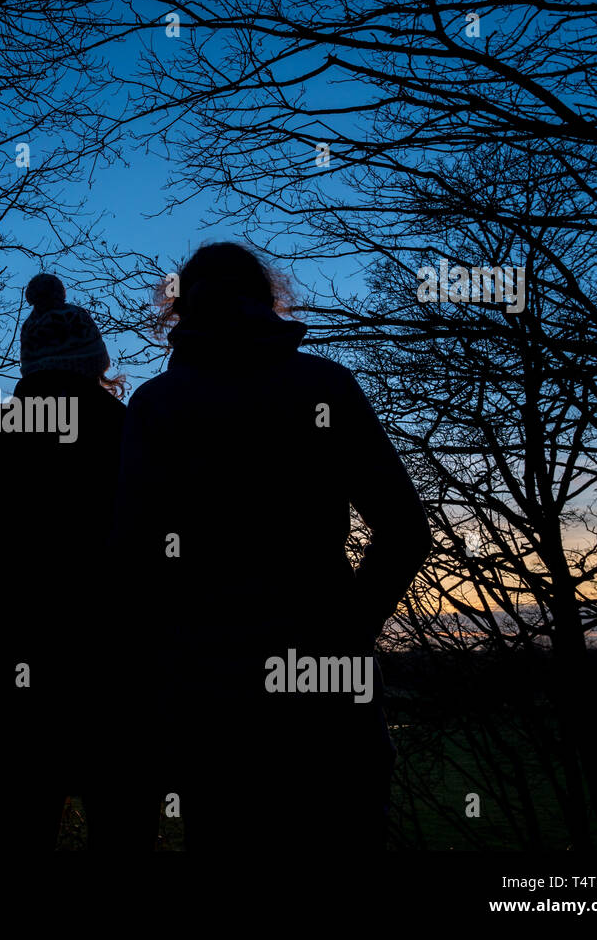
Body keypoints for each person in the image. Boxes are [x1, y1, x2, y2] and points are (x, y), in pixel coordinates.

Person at [112, 241, 432, 851]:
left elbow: (132, 563)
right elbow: (405, 532)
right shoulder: (325, 386)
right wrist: (342, 634)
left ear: (178, 312)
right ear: (268, 300)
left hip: (212, 701)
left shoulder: (157, 406)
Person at [0, 273, 157, 851]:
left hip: (30, 680)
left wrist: (28, 618)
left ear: (28, 363)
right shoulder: (131, 427)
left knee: (24, 837)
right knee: (125, 835)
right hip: (123, 674)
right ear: (95, 360)